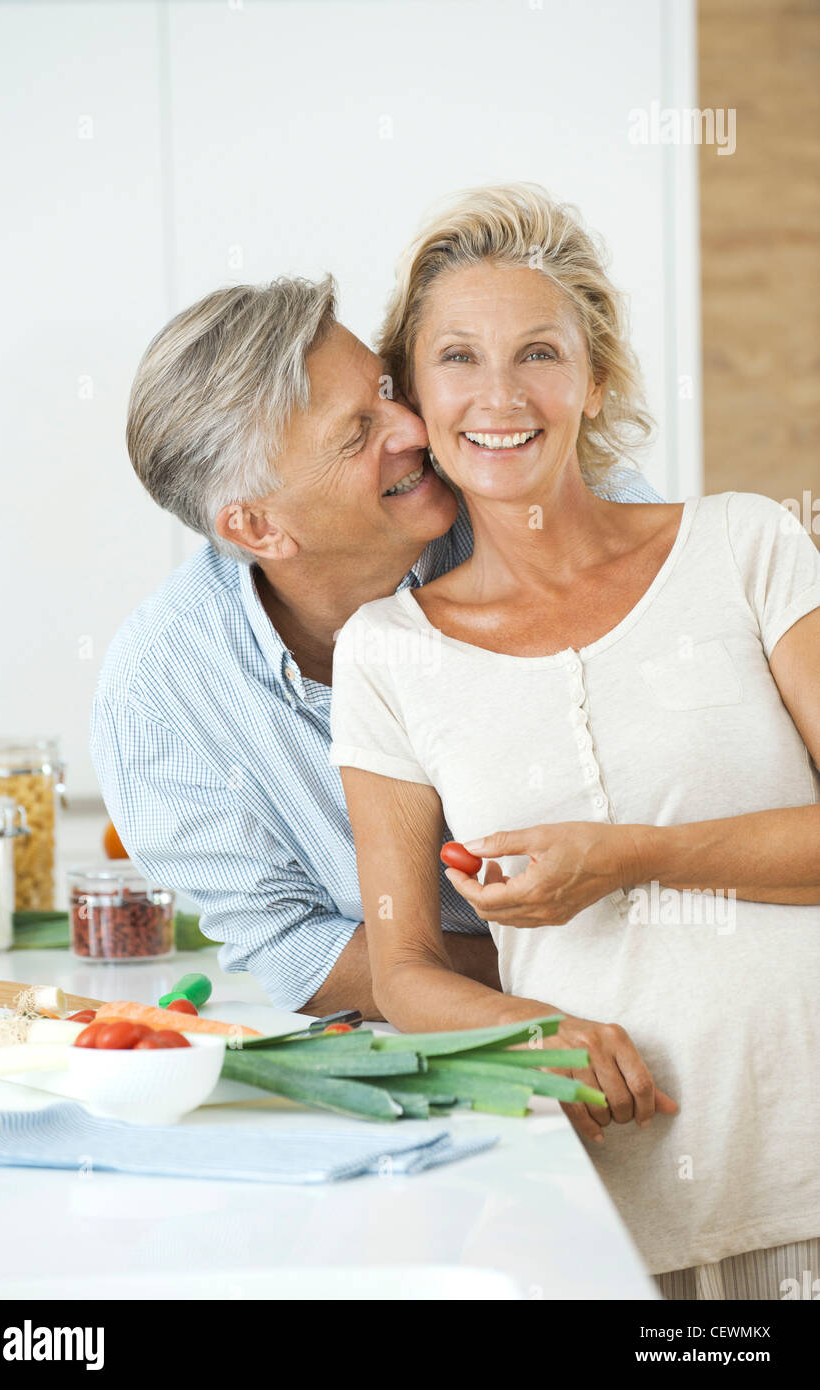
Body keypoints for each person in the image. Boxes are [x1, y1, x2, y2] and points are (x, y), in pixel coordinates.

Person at [328, 182, 820, 1296]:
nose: (499, 396)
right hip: (614, 1206)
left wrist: (628, 853)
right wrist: (534, 1023)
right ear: (414, 398)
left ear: (596, 382)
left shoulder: (747, 547)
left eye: (539, 353)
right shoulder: (387, 652)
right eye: (458, 357)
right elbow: (404, 967)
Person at [90, 272, 662, 1019]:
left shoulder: (559, 502)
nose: (415, 429)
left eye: (389, 389)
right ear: (258, 529)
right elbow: (294, 947)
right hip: (456, 1040)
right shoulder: (157, 697)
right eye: (357, 433)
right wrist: (554, 990)